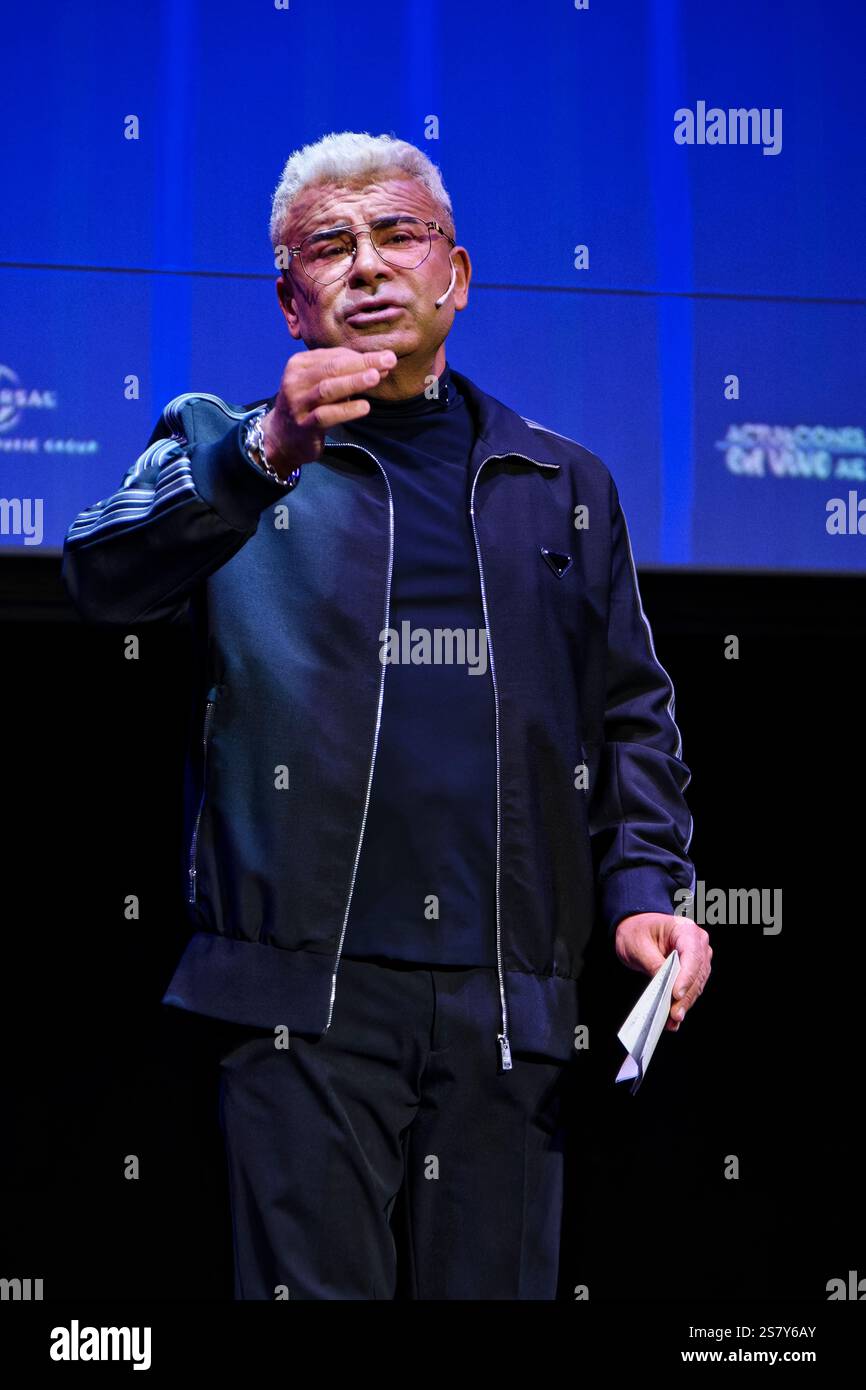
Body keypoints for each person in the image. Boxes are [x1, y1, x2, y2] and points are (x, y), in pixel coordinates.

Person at [61, 130, 712, 1300]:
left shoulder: (561, 485)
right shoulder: (225, 445)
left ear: (453, 274)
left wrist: (641, 893)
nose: (365, 265)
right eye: (329, 244)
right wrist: (264, 453)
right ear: (289, 298)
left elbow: (627, 717)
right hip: (296, 1001)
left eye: (395, 234)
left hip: (507, 1000)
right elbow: (100, 573)